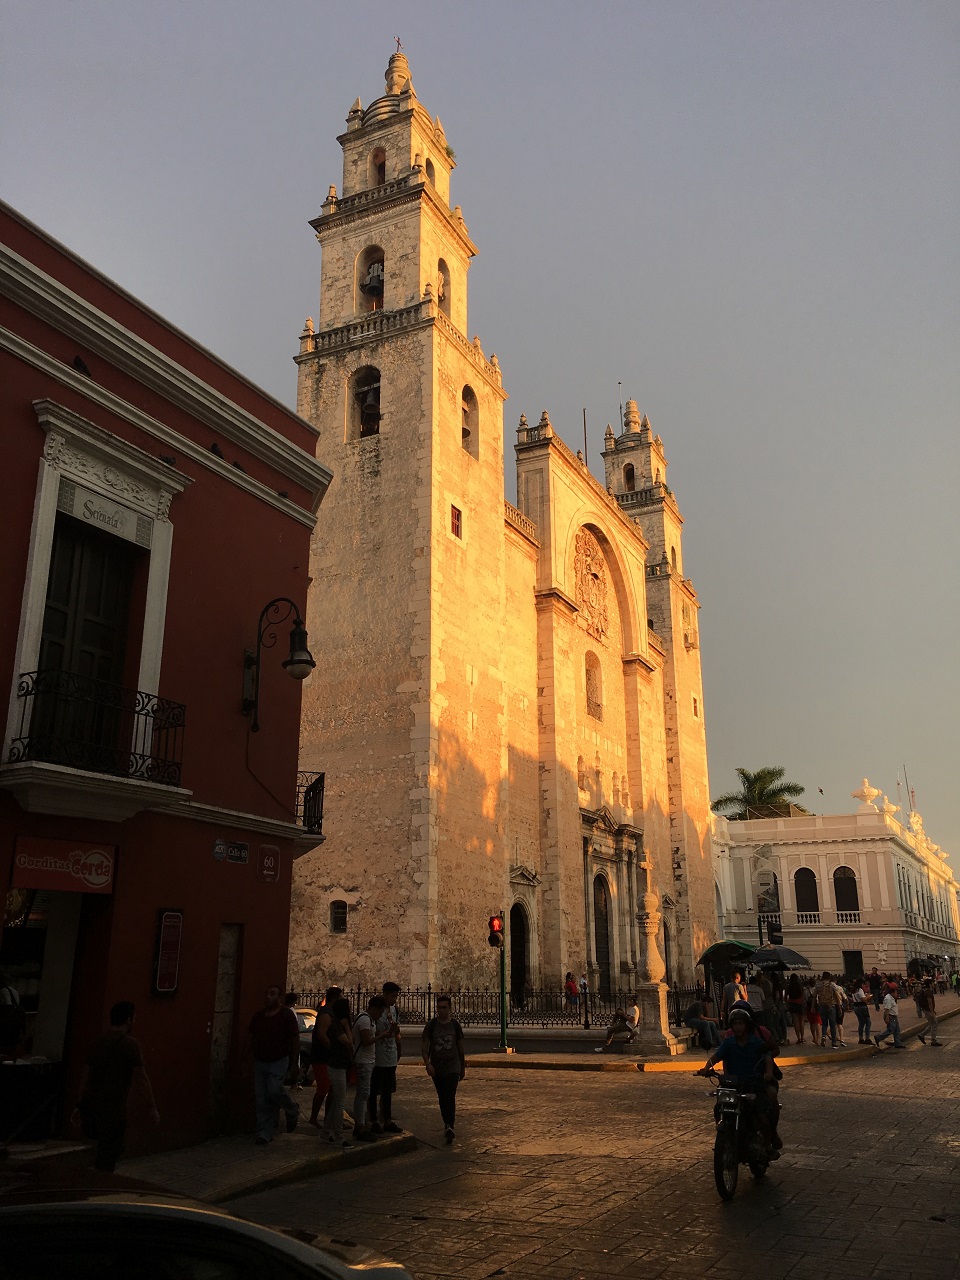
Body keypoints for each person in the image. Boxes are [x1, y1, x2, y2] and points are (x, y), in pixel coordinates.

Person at [71, 1000, 159, 1173]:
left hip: (92, 1106)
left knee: (105, 1151)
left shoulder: (97, 1043)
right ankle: (100, 1190)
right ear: (128, 1020)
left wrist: (78, 1105)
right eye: (133, 1018)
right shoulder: (131, 1045)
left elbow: (86, 1077)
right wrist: (152, 1107)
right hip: (114, 1110)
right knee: (110, 1153)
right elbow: (142, 1080)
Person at [696, 1007, 778, 1155]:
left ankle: (767, 1144)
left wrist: (768, 1072)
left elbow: (767, 1058)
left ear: (746, 1025)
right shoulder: (729, 1043)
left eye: (741, 1023)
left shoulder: (756, 1042)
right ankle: (727, 1135)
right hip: (733, 1085)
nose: (738, 1027)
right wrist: (706, 1068)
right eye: (735, 1024)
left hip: (753, 1084)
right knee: (719, 1108)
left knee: (762, 1115)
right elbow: (716, 1057)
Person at [245, 984, 300, 1144]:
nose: (268, 997)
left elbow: (295, 1038)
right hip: (261, 1060)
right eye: (267, 994)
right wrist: (244, 1059)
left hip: (279, 1060)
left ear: (280, 997)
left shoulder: (286, 1015)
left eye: (272, 994)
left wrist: (294, 1064)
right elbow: (251, 1037)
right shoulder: (259, 1016)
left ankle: (291, 1108)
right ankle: (265, 1132)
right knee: (262, 1098)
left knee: (274, 1089)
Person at [422, 994, 466, 1144]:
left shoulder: (455, 1025)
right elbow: (425, 1047)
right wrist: (427, 1063)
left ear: (449, 1008)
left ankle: (449, 1125)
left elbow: (460, 1048)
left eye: (444, 1008)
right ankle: (446, 1123)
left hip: (452, 1066)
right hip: (437, 1067)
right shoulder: (431, 1025)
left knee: (450, 1095)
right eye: (439, 1007)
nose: (442, 1011)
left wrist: (462, 1066)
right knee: (442, 1097)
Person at [369, 981, 403, 1133]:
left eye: (396, 996)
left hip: (390, 1054)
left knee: (388, 1090)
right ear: (385, 994)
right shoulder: (378, 1010)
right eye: (392, 996)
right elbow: (370, 1030)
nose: (394, 999)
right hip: (378, 1056)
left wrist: (396, 1036)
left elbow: (396, 1030)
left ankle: (387, 1120)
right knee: (374, 1089)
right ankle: (374, 1120)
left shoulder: (394, 1010)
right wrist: (383, 1034)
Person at [321, 996, 355, 1147]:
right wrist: (347, 1026)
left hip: (339, 1066)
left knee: (336, 1102)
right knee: (340, 1102)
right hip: (337, 1067)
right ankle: (339, 1137)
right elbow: (349, 1042)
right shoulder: (336, 1026)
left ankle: (326, 1132)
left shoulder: (336, 1025)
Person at [351, 994, 386, 1141]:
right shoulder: (365, 1019)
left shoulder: (370, 1020)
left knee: (364, 1093)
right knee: (363, 1094)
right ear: (373, 1008)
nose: (380, 1015)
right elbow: (366, 1041)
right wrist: (381, 1036)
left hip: (368, 1061)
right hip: (363, 1061)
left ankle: (361, 1124)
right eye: (379, 1012)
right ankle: (360, 1126)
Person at [308, 986, 341, 1127]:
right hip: (322, 1057)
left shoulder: (328, 1013)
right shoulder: (326, 1014)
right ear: (336, 998)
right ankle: (314, 1118)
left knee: (332, 1089)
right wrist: (333, 1049)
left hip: (326, 1057)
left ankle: (329, 1119)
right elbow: (322, 1035)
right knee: (323, 1089)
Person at [874, 982, 906, 1050]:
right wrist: (886, 1018)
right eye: (896, 992)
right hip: (891, 1016)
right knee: (890, 1030)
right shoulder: (888, 998)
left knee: (897, 1030)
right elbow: (887, 1009)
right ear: (893, 992)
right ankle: (879, 1037)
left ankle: (898, 1043)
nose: (897, 994)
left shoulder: (891, 998)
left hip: (894, 1016)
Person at [814, 971, 840, 1048]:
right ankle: (834, 1042)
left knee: (824, 1024)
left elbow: (814, 997)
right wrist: (839, 1007)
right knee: (832, 1024)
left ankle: (823, 1036)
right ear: (829, 977)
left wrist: (813, 1006)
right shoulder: (832, 985)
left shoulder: (818, 985)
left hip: (822, 1006)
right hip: (831, 1006)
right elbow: (836, 997)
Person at [917, 978, 943, 1046]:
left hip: (926, 1010)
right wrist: (932, 1012)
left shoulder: (926, 991)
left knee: (932, 1023)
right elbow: (930, 1003)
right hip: (928, 1011)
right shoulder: (928, 992)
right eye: (932, 983)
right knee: (934, 1024)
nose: (933, 984)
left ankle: (922, 1035)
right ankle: (933, 1040)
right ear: (930, 984)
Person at [786, 973, 805, 1045]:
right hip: (800, 1003)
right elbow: (803, 995)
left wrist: (787, 1003)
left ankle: (798, 1038)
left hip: (792, 1004)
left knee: (796, 1022)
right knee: (801, 1021)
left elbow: (786, 996)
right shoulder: (800, 986)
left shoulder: (789, 986)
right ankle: (802, 1038)